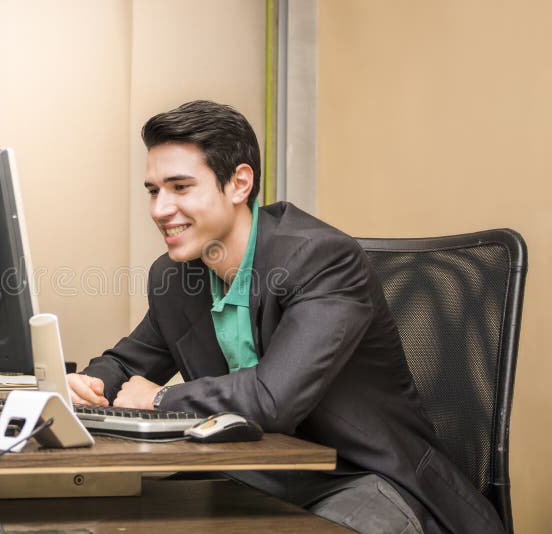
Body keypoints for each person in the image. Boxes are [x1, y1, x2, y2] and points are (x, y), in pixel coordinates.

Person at [66, 100, 504, 534]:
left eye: (180, 187)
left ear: (239, 184)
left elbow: (273, 400)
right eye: (153, 190)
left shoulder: (322, 259)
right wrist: (90, 384)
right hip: (256, 472)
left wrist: (160, 400)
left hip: (362, 477)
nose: (159, 209)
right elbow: (130, 362)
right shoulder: (179, 275)